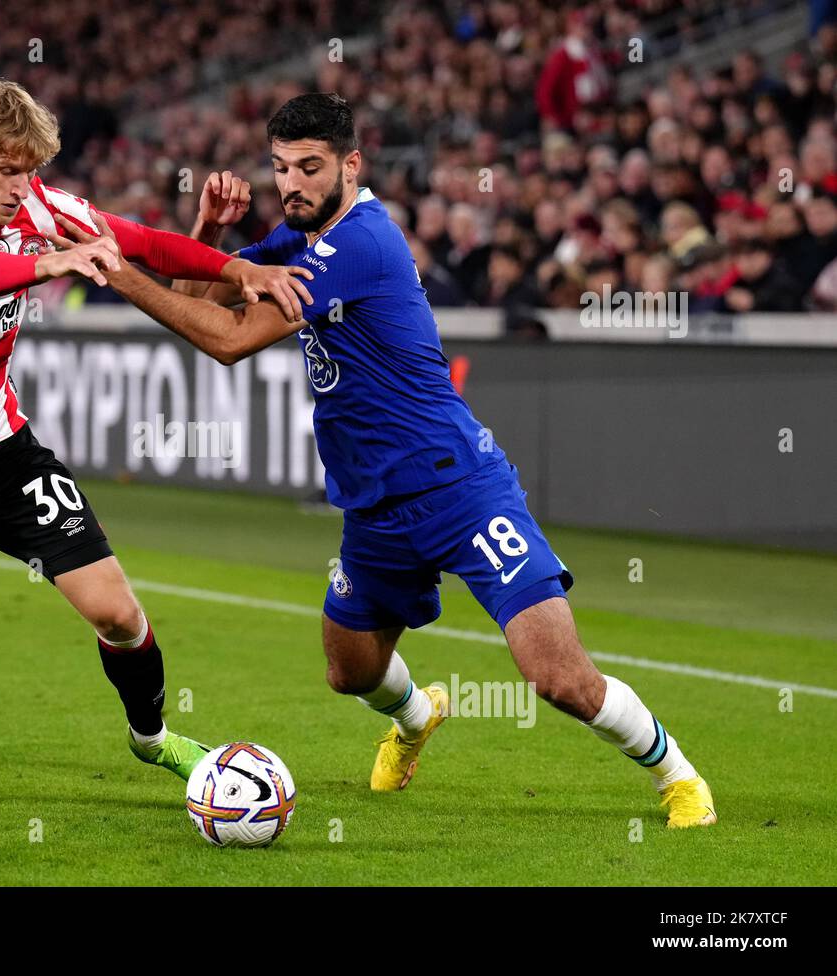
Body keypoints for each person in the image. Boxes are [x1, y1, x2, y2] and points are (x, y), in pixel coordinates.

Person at [55, 93, 716, 828]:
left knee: (556, 677)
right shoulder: (294, 238)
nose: (292, 183)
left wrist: (115, 271)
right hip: (373, 508)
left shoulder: (360, 243)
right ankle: (415, 719)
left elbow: (228, 340)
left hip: (459, 490)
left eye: (310, 167)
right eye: (280, 168)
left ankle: (677, 776)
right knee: (351, 671)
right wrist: (208, 230)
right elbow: (199, 300)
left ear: (351, 164)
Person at [0, 74, 308, 804]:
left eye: (31, 171)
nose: (22, 188)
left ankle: (152, 739)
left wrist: (237, 265)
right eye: (6, 170)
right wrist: (49, 261)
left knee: (118, 611)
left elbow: (144, 244)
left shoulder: (40, 207)